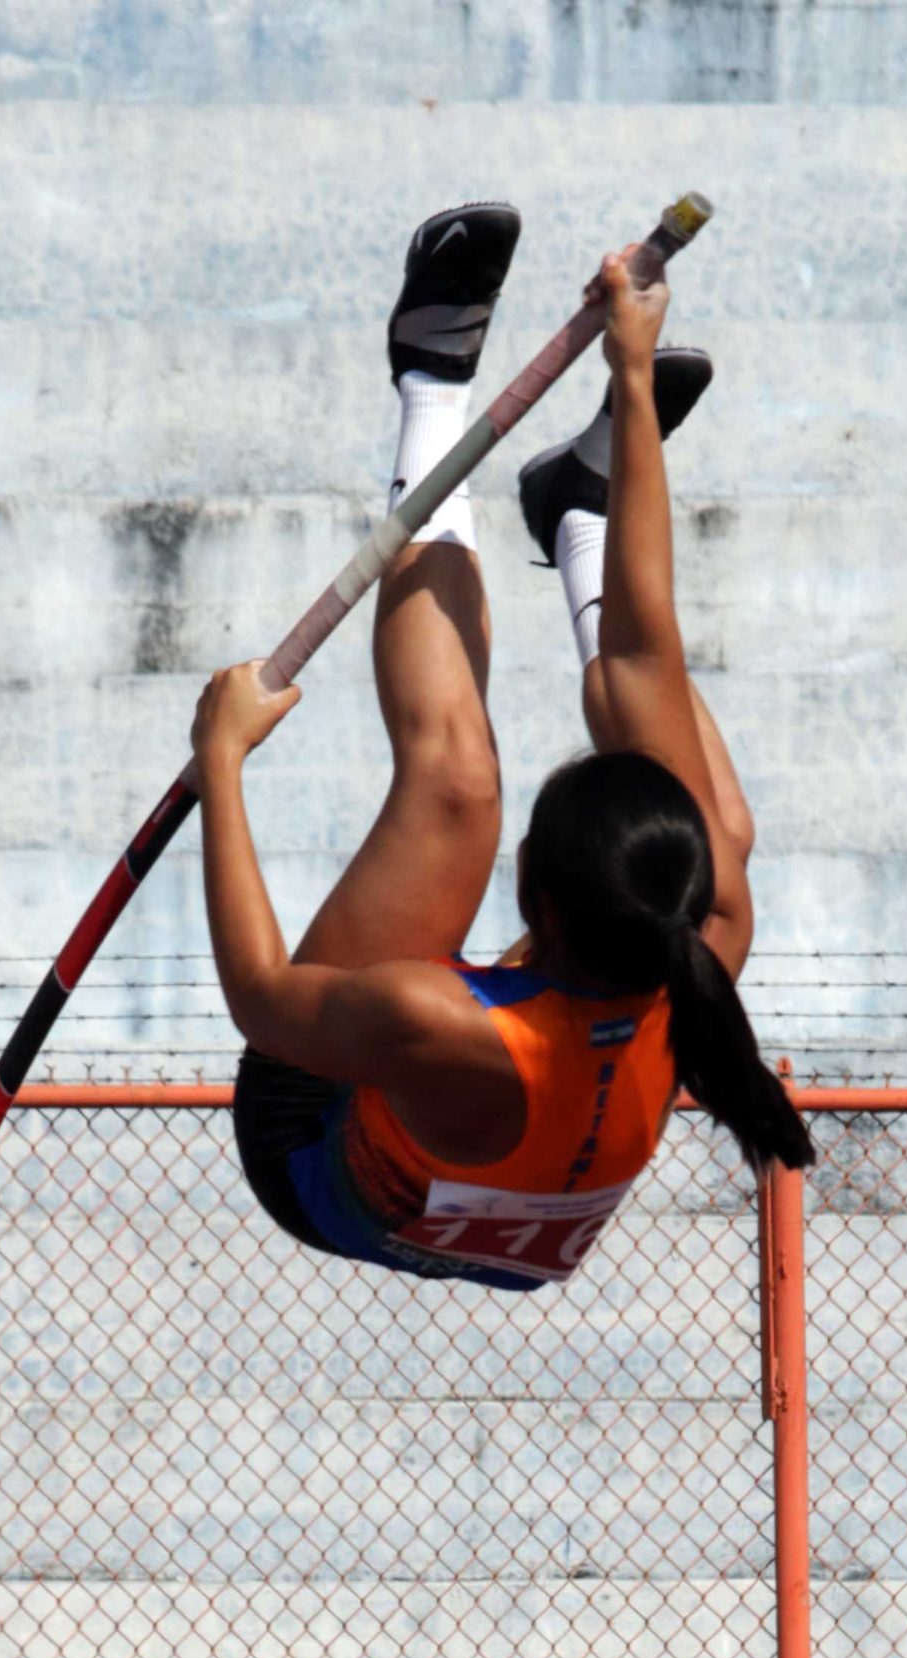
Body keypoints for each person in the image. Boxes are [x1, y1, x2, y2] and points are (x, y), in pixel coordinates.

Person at [190, 203, 812, 1291]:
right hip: (506, 1109)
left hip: (318, 1143)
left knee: (457, 783)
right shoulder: (703, 943)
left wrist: (223, 761)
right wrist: (627, 376)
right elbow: (642, 653)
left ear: (529, 897)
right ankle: (583, 507)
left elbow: (257, 998)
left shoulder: (430, 1017)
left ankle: (429, 383)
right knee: (719, 829)